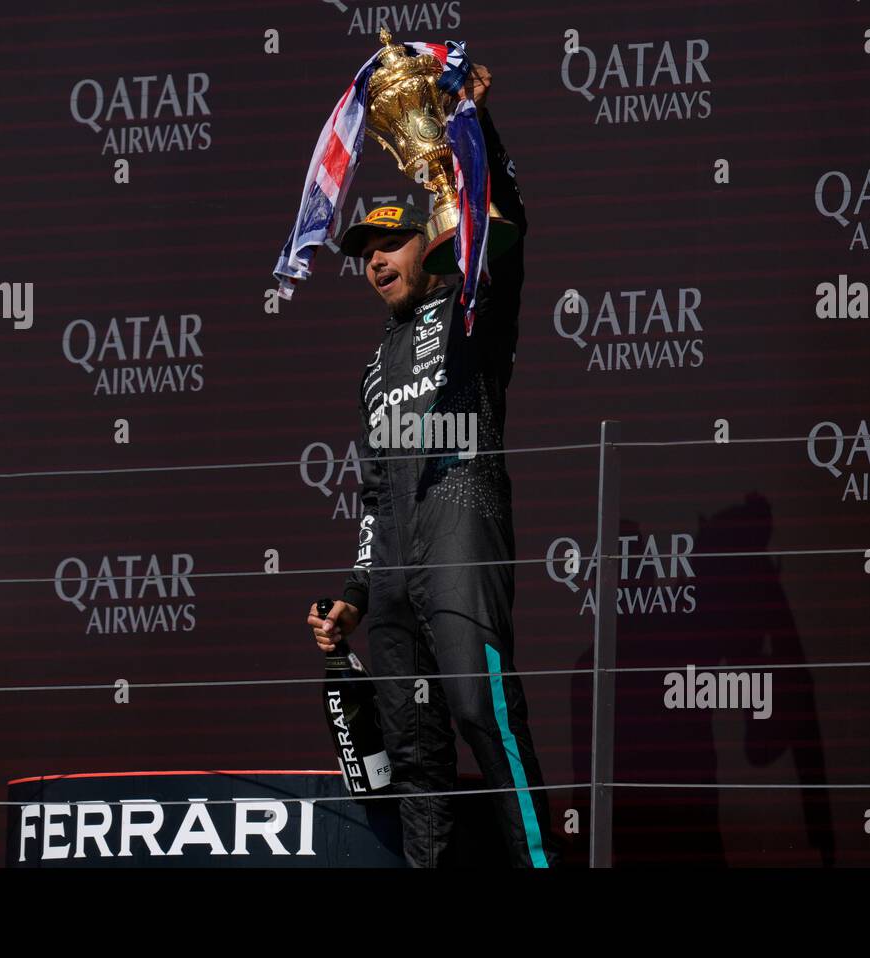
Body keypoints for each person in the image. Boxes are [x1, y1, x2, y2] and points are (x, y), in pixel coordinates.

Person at [306, 64, 558, 868]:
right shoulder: (373, 365)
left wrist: (474, 132)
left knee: (483, 714)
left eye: (390, 242)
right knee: (415, 756)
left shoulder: (473, 309)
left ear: (434, 239)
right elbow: (375, 490)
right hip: (392, 581)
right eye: (364, 251)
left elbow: (504, 221)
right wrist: (352, 596)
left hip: (459, 543)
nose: (375, 260)